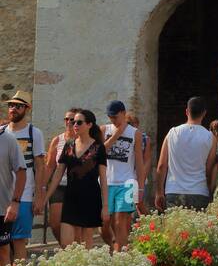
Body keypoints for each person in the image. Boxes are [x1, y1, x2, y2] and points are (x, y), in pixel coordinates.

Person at [43, 109, 109, 249]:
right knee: (67, 245)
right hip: (70, 198)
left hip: (90, 198)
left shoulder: (98, 148)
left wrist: (105, 207)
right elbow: (57, 174)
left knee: (86, 247)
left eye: (79, 122)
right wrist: (45, 197)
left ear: (89, 124)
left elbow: (103, 179)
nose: (75, 125)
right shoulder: (69, 145)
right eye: (73, 122)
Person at [1, 91, 45, 266]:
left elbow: (40, 165)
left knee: (19, 242)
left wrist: (39, 196)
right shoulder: (2, 132)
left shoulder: (34, 133)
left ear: (27, 109)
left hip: (25, 195)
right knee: (3, 245)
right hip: (3, 196)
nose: (13, 109)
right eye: (11, 105)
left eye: (18, 106)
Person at [155, 97, 217, 211]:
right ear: (204, 113)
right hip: (199, 192)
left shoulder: (172, 133)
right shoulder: (210, 138)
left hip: (174, 190)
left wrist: (159, 192)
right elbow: (209, 170)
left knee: (174, 228)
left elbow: (161, 166)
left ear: (187, 111)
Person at [102, 101, 145, 251]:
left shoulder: (135, 133)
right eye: (110, 117)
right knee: (104, 223)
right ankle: (115, 244)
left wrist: (140, 188)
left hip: (128, 183)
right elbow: (99, 153)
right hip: (106, 183)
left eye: (115, 116)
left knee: (121, 221)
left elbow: (139, 162)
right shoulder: (104, 130)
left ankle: (122, 257)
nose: (112, 120)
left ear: (123, 113)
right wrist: (116, 136)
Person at [0, 124, 27, 266]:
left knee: (2, 253)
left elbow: (21, 171)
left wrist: (15, 202)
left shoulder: (8, 139)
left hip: (2, 207)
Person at [41, 111, 76, 244]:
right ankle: (67, 250)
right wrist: (43, 187)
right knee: (55, 223)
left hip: (76, 186)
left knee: (75, 223)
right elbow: (50, 166)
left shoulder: (83, 140)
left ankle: (73, 252)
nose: (69, 122)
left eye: (72, 120)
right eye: (66, 119)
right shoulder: (58, 140)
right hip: (59, 185)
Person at [127, 112, 152, 211]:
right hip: (126, 176)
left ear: (137, 124)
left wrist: (141, 178)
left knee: (139, 204)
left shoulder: (144, 138)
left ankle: (149, 225)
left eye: (132, 124)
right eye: (128, 124)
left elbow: (147, 160)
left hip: (138, 176)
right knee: (129, 205)